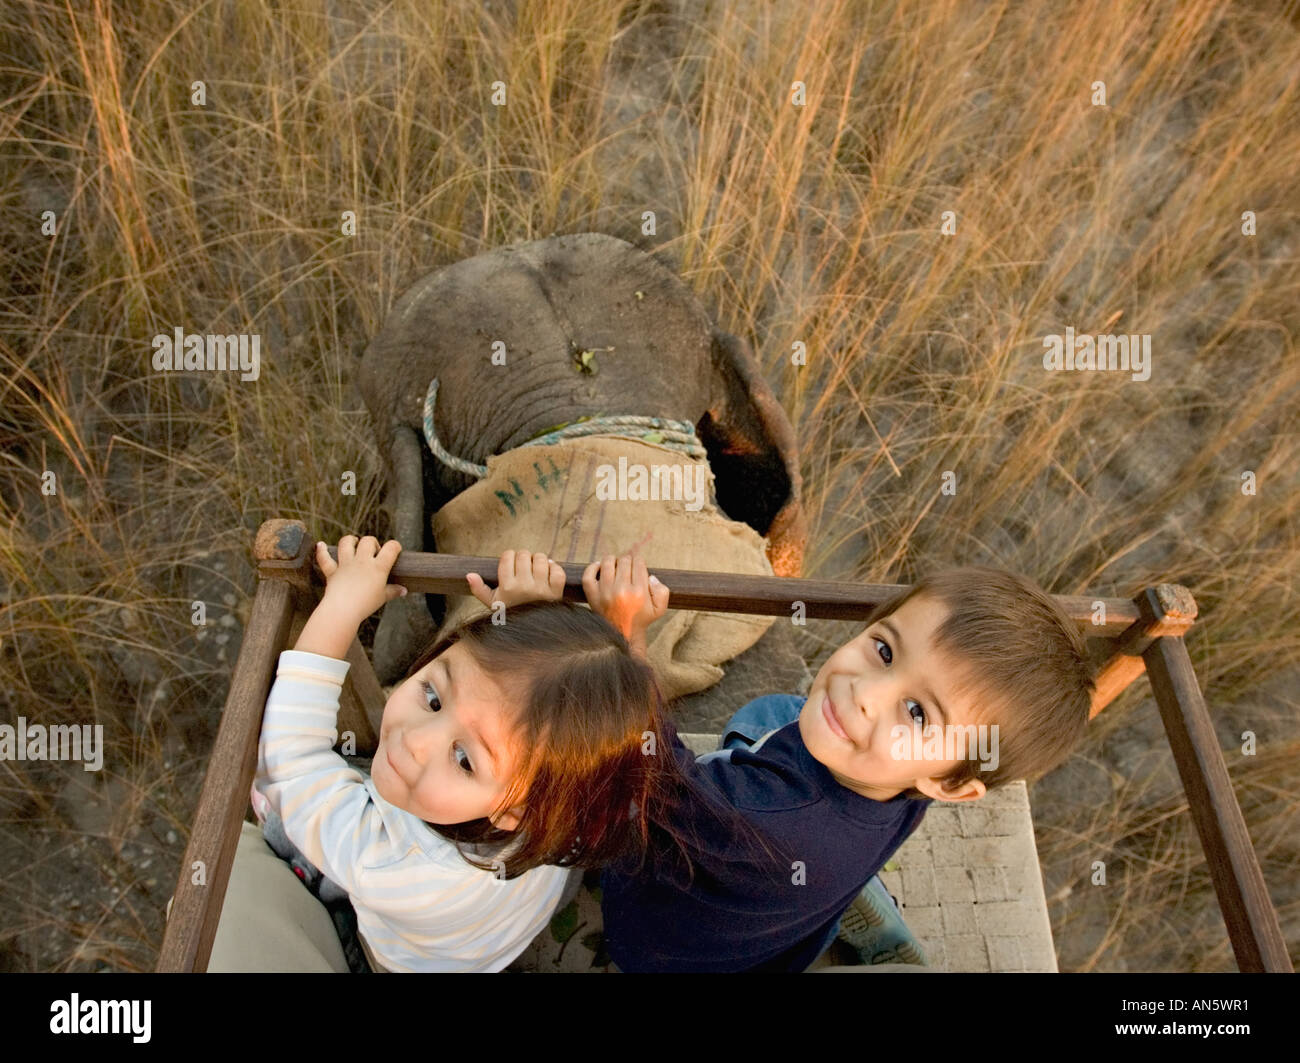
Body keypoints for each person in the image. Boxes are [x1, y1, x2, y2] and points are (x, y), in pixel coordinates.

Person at [592, 565, 1097, 972]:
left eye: (918, 712)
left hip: (661, 945)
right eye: (884, 650)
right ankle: (836, 900)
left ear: (950, 784)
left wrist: (627, 638)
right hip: (783, 935)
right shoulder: (905, 784)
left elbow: (651, 774)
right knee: (778, 713)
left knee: (608, 781)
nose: (864, 692)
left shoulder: (765, 818)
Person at [249, 536, 677, 973]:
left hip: (405, 958)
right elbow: (624, 744)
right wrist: (610, 634)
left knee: (279, 819)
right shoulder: (566, 796)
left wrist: (342, 605)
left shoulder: (387, 863)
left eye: (465, 760)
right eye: (433, 698)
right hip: (506, 927)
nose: (417, 741)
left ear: (515, 813)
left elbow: (290, 758)